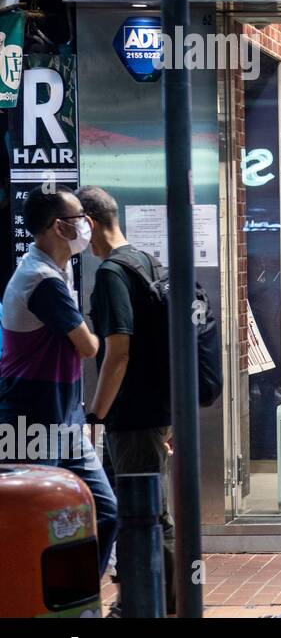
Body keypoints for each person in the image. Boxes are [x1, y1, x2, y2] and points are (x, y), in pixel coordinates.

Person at [0, 188, 115, 577]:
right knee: (35, 523)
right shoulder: (41, 278)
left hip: (64, 421)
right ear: (56, 227)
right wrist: (99, 335)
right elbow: (88, 346)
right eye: (78, 216)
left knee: (106, 510)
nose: (86, 223)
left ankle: (75, 599)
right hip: (30, 421)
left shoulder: (57, 271)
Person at [78, 186, 176, 615]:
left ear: (90, 223)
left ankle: (145, 600)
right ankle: (162, 595)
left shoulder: (112, 273)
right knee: (149, 507)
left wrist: (96, 412)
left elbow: (118, 352)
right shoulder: (148, 261)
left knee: (143, 512)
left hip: (132, 413)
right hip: (154, 408)